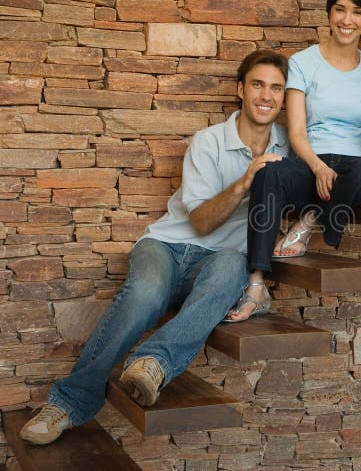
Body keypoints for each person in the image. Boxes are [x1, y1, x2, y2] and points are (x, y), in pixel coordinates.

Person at [19, 50, 290, 445]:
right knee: (145, 294)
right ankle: (67, 403)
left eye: (276, 87)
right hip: (167, 246)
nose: (267, 95)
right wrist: (246, 181)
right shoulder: (208, 142)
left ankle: (152, 363)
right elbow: (200, 222)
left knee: (233, 265)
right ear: (240, 90)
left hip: (218, 262)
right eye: (258, 84)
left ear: (285, 97)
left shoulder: (290, 148)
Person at [224, 0, 361, 323]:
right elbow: (298, 133)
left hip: (360, 167)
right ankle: (255, 285)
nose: (347, 20)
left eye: (357, 12)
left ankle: (313, 218)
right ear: (329, 13)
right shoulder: (302, 63)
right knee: (269, 170)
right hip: (313, 162)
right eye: (340, 10)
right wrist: (317, 167)